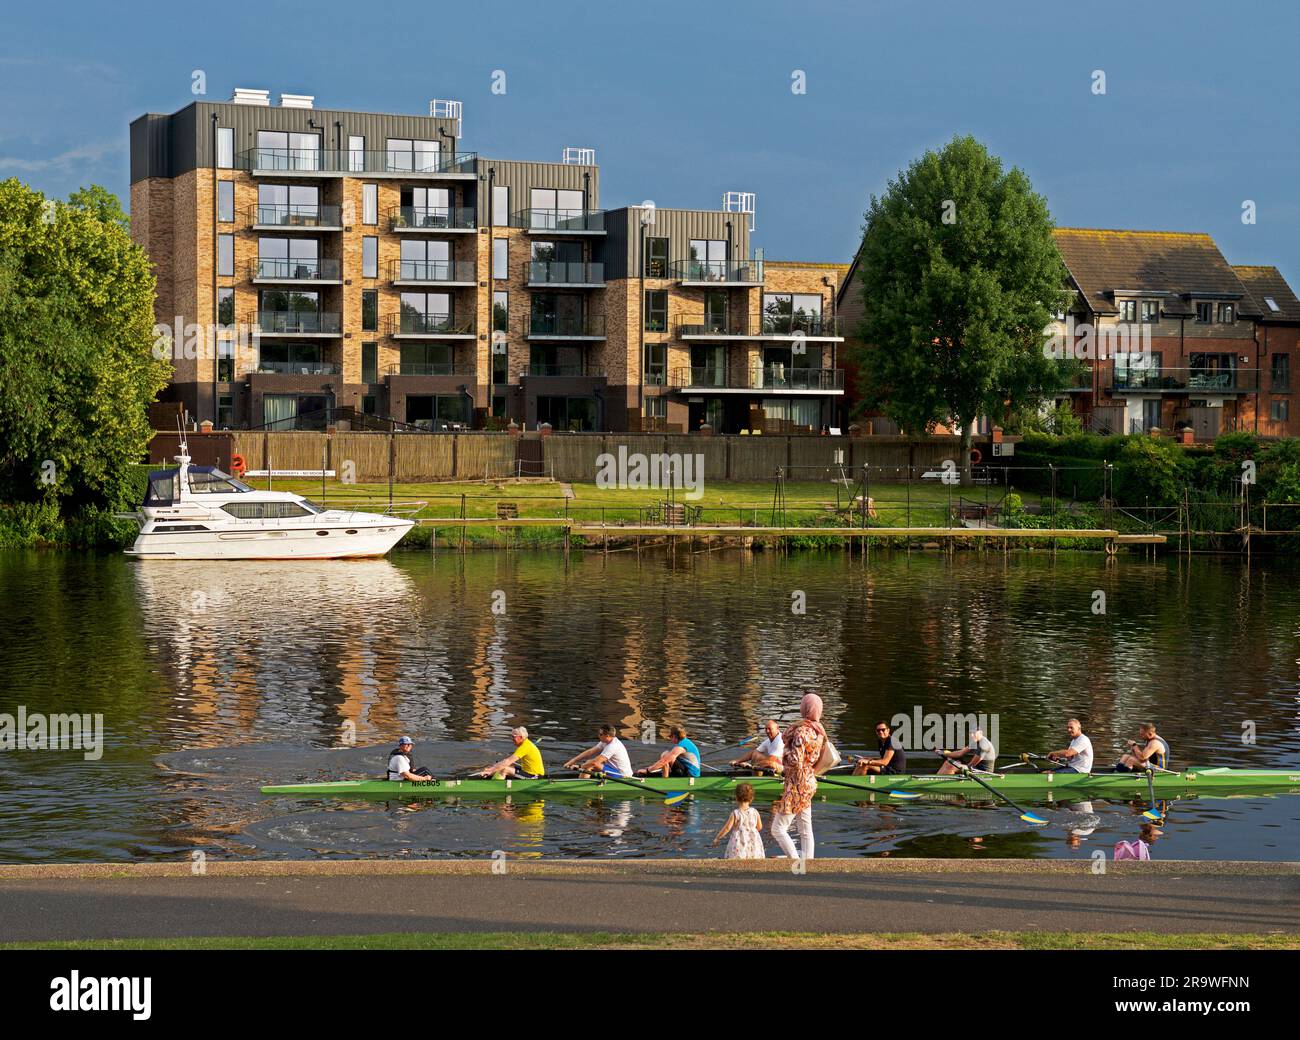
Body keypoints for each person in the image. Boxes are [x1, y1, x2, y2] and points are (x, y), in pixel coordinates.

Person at [771, 693, 827, 860]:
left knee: (778, 829)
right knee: (805, 827)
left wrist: (781, 764)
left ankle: (795, 861)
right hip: (809, 779)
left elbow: (795, 760)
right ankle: (808, 861)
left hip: (797, 782)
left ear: (805, 708)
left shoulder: (802, 731)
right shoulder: (819, 730)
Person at [713, 782, 764, 859]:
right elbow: (759, 827)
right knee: (753, 857)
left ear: (736, 797)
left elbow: (727, 828)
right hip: (753, 841)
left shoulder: (735, 813)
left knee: (738, 857)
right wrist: (750, 831)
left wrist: (717, 837)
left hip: (739, 843)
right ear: (751, 798)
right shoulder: (755, 812)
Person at [564, 725, 634, 778]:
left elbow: (595, 762)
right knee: (589, 763)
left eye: (600, 734)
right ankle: (583, 781)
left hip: (622, 775)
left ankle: (581, 785)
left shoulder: (613, 746)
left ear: (607, 736)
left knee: (590, 764)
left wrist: (579, 766)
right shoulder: (605, 741)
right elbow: (590, 752)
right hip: (613, 769)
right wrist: (572, 761)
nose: (598, 735)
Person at [477, 726, 546, 779]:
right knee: (499, 765)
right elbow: (506, 762)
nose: (512, 739)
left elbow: (508, 761)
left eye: (514, 737)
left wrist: (491, 770)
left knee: (505, 769)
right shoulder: (525, 744)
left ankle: (493, 786)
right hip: (526, 770)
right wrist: (491, 769)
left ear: (521, 737)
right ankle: (488, 775)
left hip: (535, 776)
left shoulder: (525, 747)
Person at [636, 724, 701, 778]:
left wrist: (647, 770)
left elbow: (663, 761)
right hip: (687, 769)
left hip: (691, 775)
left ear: (674, 736)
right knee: (667, 755)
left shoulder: (681, 747)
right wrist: (653, 767)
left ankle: (665, 781)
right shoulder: (685, 742)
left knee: (665, 755)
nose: (670, 739)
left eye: (670, 737)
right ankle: (665, 777)